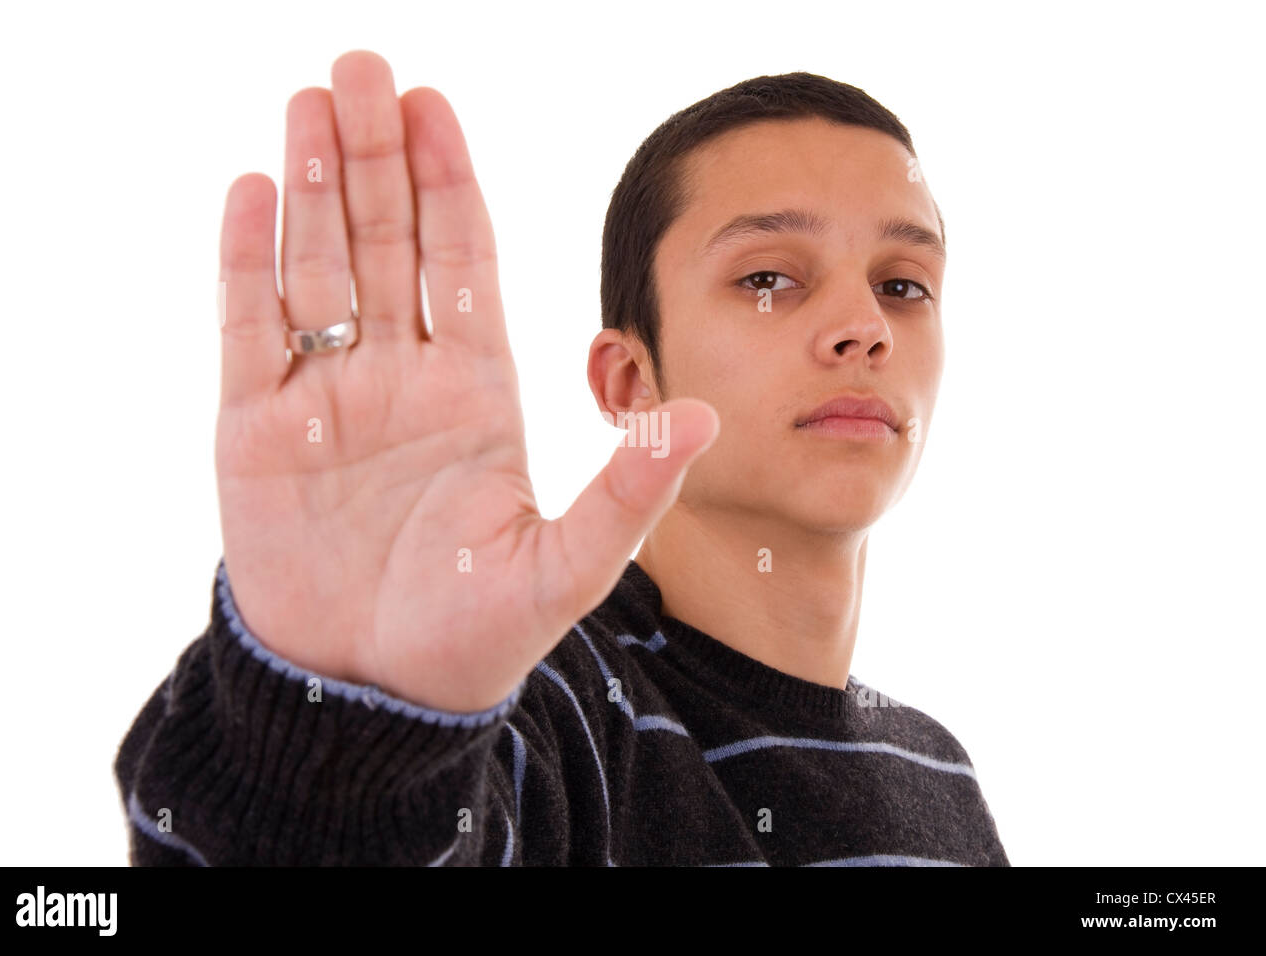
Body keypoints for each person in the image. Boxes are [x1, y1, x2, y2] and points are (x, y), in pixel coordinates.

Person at [115, 49, 1009, 866]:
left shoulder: (939, 774)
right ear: (629, 382)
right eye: (768, 279)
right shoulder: (544, 706)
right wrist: (336, 726)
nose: (865, 329)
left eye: (903, 286)